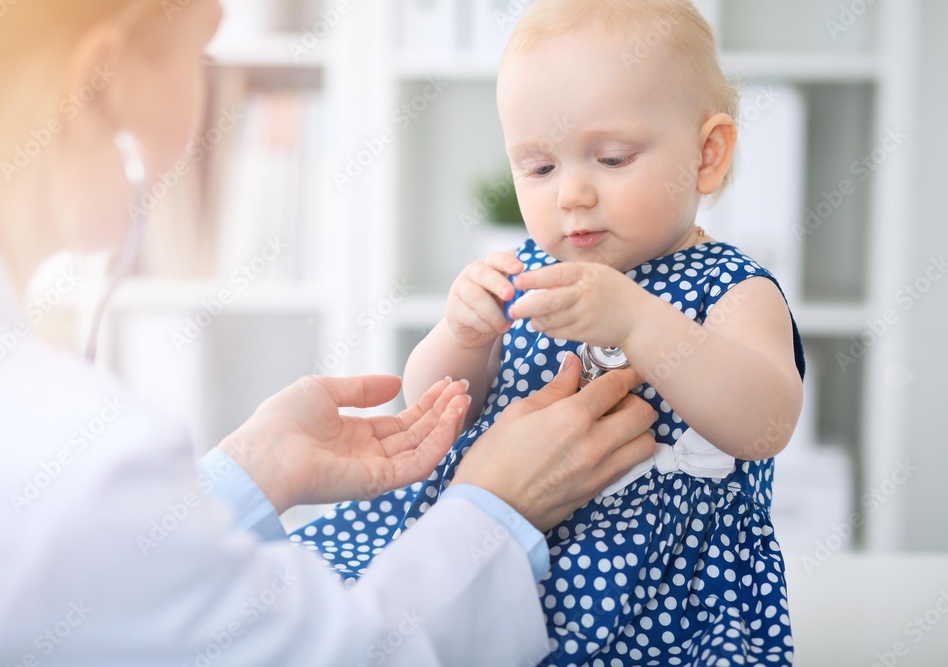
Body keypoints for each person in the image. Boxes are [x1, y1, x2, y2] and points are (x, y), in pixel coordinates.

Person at [0, 1, 660, 665]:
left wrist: (249, 470)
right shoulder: (73, 456)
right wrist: (497, 506)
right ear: (101, 86)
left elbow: (84, 574)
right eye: (202, 56)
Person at [289, 1, 806, 666]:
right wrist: (463, 336)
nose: (571, 194)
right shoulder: (529, 271)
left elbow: (766, 422)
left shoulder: (732, 285)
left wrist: (639, 320)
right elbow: (436, 406)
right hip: (502, 560)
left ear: (707, 155)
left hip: (663, 592)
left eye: (613, 158)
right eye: (539, 167)